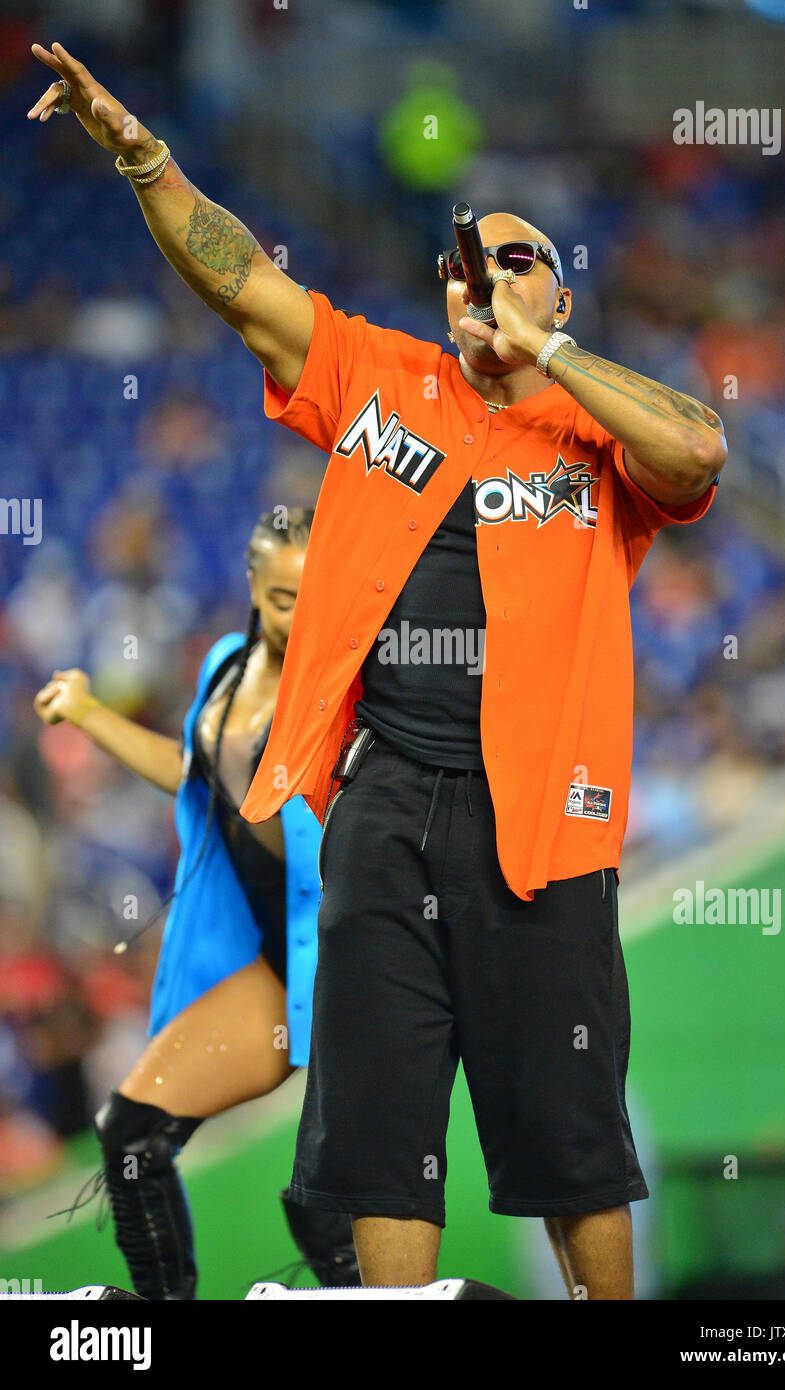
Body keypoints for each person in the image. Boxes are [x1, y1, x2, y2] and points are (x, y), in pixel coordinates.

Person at [28, 43, 727, 1298]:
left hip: (545, 831)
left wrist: (549, 357)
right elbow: (240, 284)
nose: (487, 278)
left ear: (559, 301)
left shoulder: (590, 430)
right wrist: (142, 156)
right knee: (374, 1133)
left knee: (570, 1140)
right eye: (470, 264)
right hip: (384, 804)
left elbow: (696, 446)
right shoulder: (380, 381)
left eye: (519, 261)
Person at [34, 509, 360, 1298]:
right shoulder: (225, 663)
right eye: (283, 597)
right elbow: (195, 772)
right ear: (251, 584)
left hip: (352, 961)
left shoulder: (351, 683)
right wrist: (87, 713)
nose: (300, 614)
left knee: (319, 1203)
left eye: (316, 595)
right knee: (131, 1137)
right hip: (273, 957)